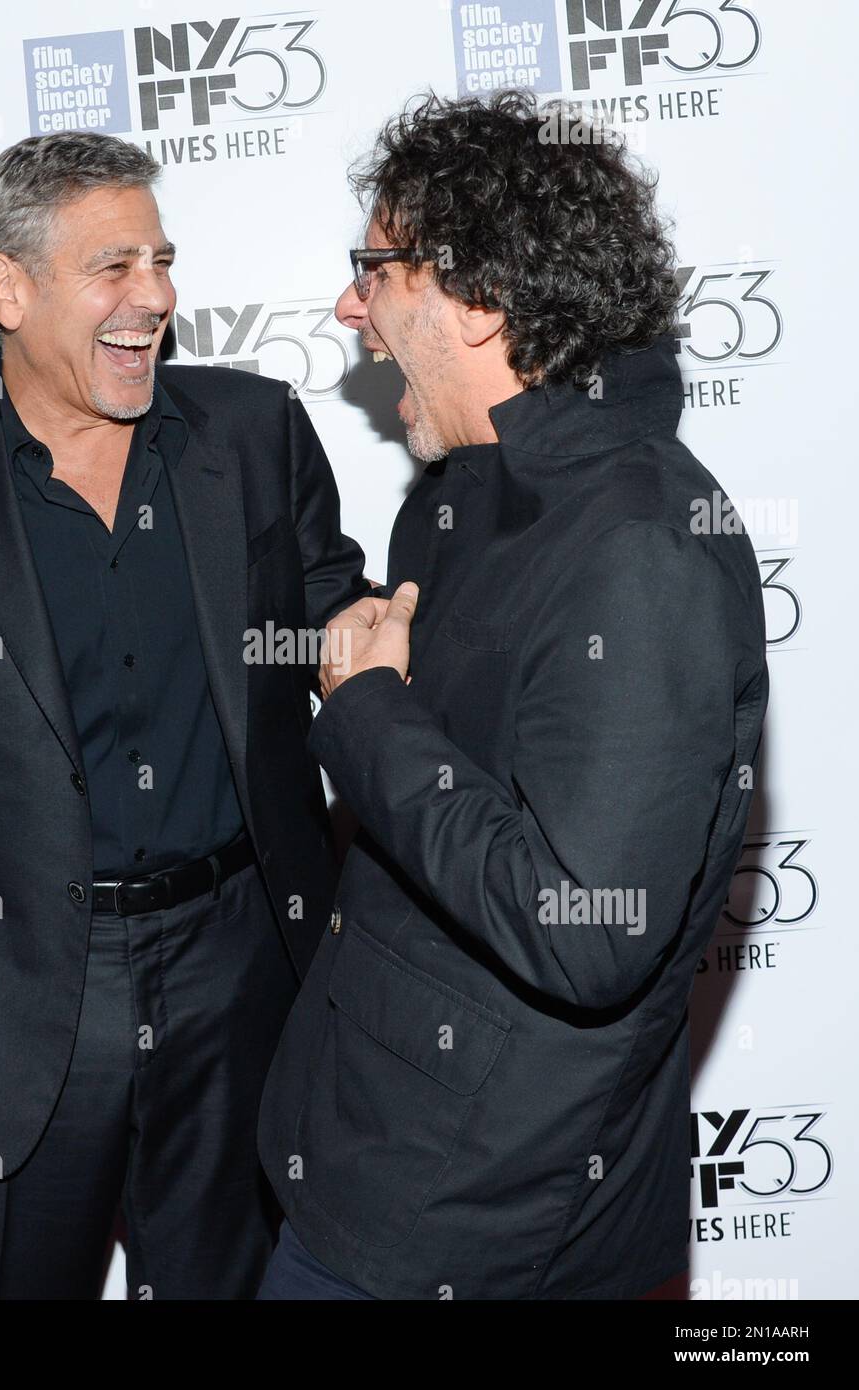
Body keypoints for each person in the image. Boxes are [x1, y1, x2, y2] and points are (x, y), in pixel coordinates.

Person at [0, 130, 367, 1300]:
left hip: (240, 966)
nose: (154, 296)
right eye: (113, 267)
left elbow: (332, 622)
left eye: (161, 261)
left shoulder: (253, 434)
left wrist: (391, 639)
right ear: (7, 289)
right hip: (15, 993)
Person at [256, 89, 768, 1300]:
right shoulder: (471, 490)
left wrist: (368, 711)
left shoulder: (643, 545)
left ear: (476, 294)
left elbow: (586, 927)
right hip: (379, 1164)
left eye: (373, 268)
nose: (349, 307)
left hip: (469, 1226)